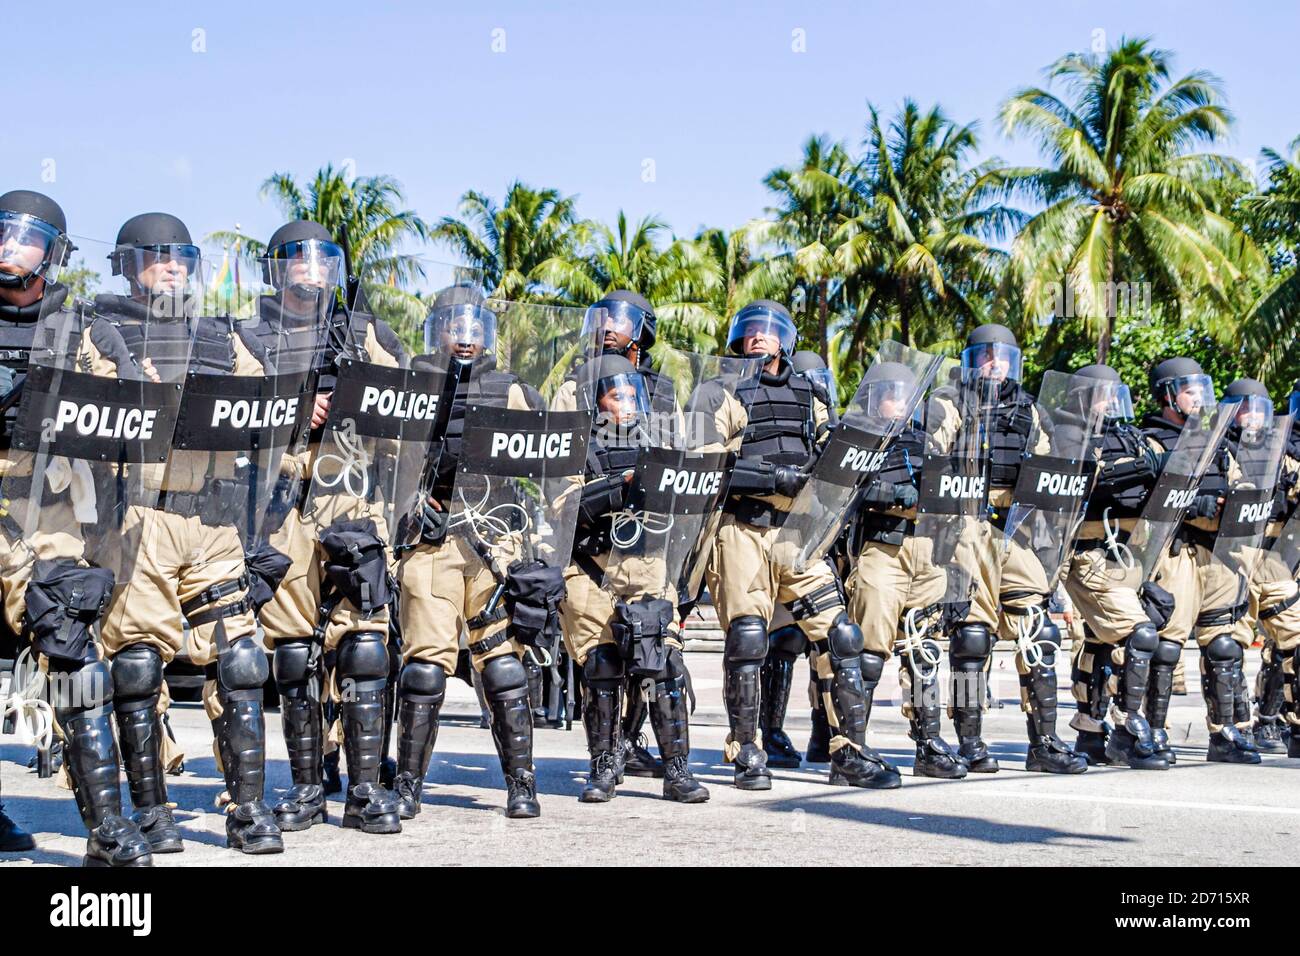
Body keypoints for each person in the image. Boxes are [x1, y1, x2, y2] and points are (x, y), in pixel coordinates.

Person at [0, 194, 157, 864]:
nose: (11, 247)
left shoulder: (82, 330)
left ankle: (107, 829)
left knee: (70, 645)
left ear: (55, 253)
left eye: (28, 238)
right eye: (3, 233)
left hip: (42, 511)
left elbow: (137, 410)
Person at [703, 300, 900, 790]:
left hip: (798, 532)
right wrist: (771, 475)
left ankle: (847, 751)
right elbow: (707, 468)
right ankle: (748, 750)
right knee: (749, 638)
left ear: (786, 340)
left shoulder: (810, 393)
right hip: (741, 528)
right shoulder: (719, 391)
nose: (758, 337)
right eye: (750, 331)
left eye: (769, 331)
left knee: (842, 635)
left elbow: (829, 456)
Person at [934, 324, 1087, 774]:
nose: (994, 364)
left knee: (1040, 628)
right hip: (963, 523)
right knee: (973, 635)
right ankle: (970, 741)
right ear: (972, 361)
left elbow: (1043, 466)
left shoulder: (1028, 411)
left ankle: (1044, 742)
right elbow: (933, 454)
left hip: (1013, 527)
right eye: (985, 356)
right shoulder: (950, 400)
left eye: (1002, 356)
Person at [560, 352, 710, 802]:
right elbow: (561, 505)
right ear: (596, 400)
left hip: (647, 561)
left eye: (631, 393)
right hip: (589, 564)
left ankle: (677, 769)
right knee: (603, 667)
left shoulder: (659, 441)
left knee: (661, 663)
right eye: (614, 394)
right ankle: (604, 767)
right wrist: (616, 487)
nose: (625, 402)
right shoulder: (574, 441)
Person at [845, 363, 968, 778]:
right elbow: (841, 493)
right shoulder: (856, 441)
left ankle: (928, 744)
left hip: (928, 551)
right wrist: (889, 494)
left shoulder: (928, 444)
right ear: (874, 399)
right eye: (891, 394)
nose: (900, 403)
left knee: (925, 651)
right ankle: (852, 748)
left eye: (906, 396)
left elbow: (957, 500)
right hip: (882, 549)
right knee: (869, 652)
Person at [1141, 359, 1260, 764]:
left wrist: (1245, 500)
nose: (1201, 399)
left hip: (1220, 550)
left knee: (1224, 644)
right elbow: (1148, 497)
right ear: (1168, 395)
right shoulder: (1152, 440)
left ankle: (1224, 733)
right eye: (1191, 391)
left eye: (1203, 390)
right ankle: (1154, 731)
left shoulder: (1219, 443)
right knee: (1167, 645)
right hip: (1177, 551)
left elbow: (1242, 481)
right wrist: (1198, 504)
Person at [1061, 365, 1170, 770]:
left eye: (1113, 393)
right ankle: (1127, 731)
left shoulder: (1132, 435)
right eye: (1100, 394)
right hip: (1087, 551)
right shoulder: (1067, 434)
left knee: (1099, 642)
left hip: (1128, 552)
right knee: (1138, 634)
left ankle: (1090, 733)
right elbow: (1069, 487)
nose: (1109, 401)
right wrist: (1114, 474)